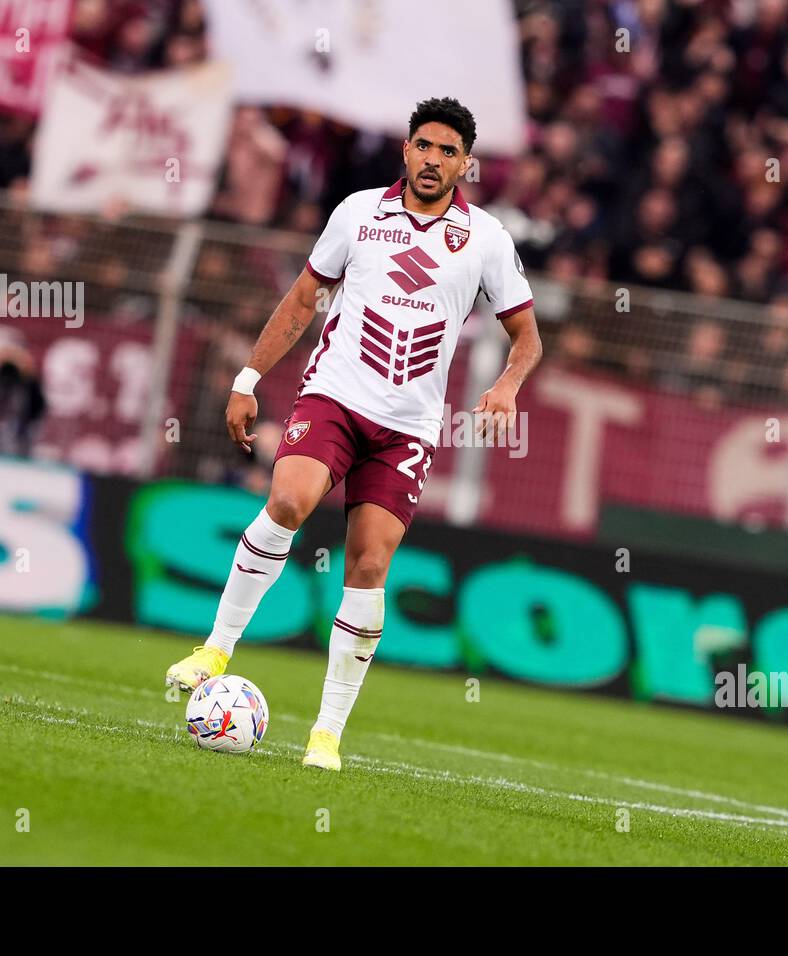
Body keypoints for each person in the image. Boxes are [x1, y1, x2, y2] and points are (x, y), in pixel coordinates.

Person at [165, 98, 543, 772]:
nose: (433, 159)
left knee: (369, 566)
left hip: (408, 429)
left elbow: (528, 338)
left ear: (466, 163)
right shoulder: (358, 213)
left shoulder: (485, 239)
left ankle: (326, 735)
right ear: (406, 150)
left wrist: (508, 384)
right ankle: (216, 647)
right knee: (287, 501)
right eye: (423, 146)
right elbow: (303, 300)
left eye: (448, 151)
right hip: (335, 397)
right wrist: (249, 378)